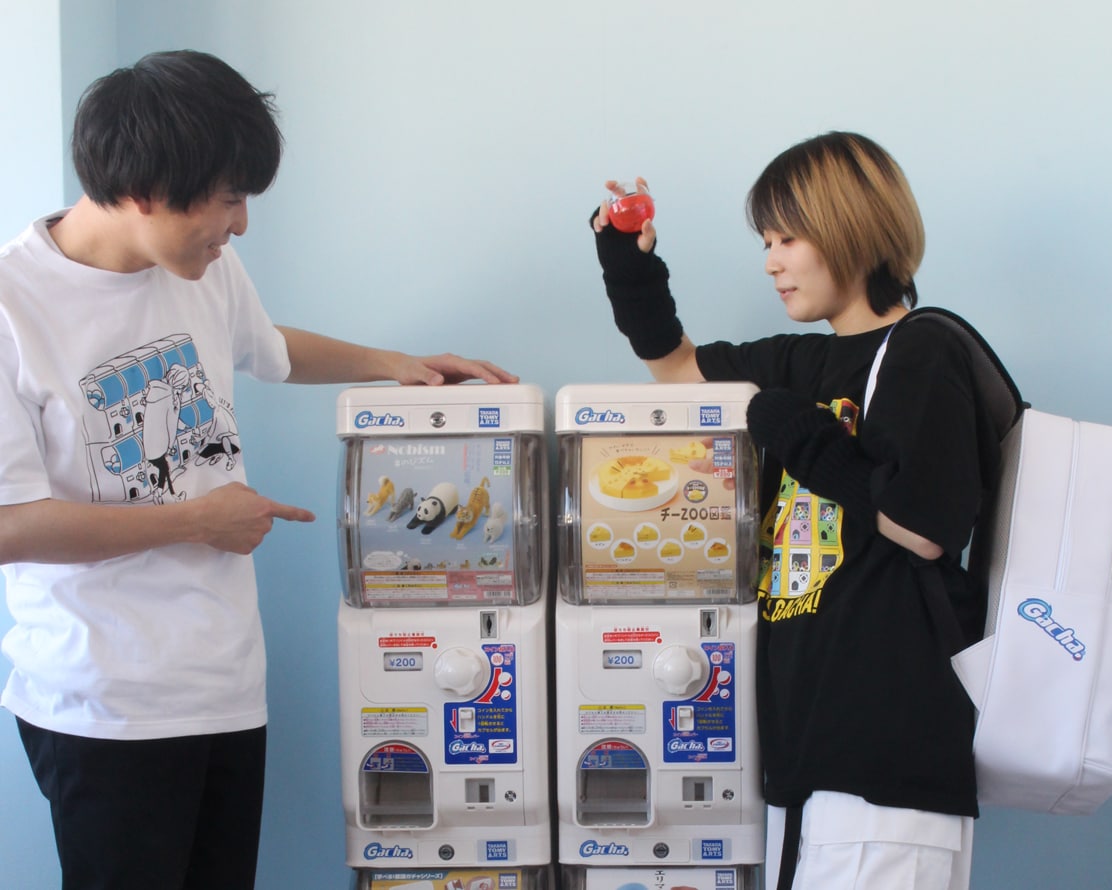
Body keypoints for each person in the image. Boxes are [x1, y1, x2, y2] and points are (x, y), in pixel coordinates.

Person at [0, 49, 516, 889]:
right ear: (144, 191)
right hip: (105, 706)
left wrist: (398, 365)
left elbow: (268, 348)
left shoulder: (202, 266)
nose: (239, 226)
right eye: (229, 199)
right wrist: (196, 522)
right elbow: (9, 528)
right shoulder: (13, 308)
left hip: (227, 682)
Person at [590, 132, 999, 890]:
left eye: (787, 239)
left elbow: (924, 528)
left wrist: (799, 433)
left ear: (850, 229)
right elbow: (678, 370)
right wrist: (626, 261)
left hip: (888, 762)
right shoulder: (804, 360)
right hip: (805, 758)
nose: (771, 262)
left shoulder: (922, 350)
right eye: (766, 242)